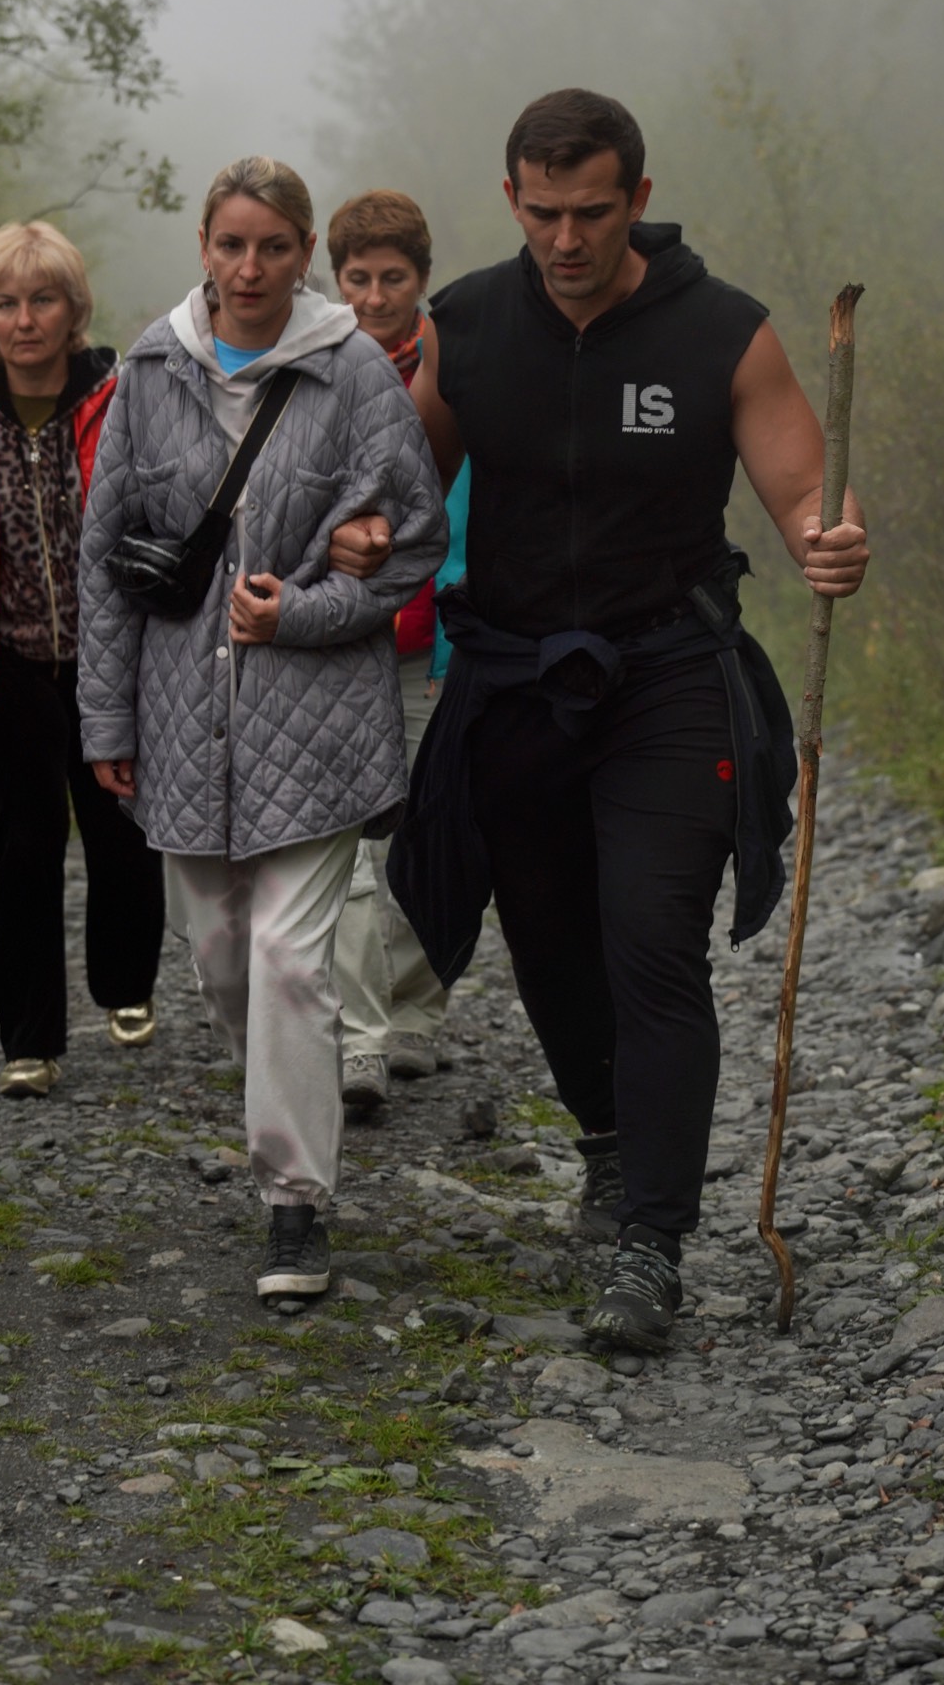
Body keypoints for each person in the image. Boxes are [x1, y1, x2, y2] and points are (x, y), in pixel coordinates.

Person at [359, 89, 870, 1353]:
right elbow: (399, 488)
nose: (566, 238)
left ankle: (650, 1238)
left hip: (665, 671)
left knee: (650, 937)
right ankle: (601, 1134)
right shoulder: (464, 325)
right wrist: (359, 536)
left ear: (636, 198)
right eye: (542, 213)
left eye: (591, 212)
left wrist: (828, 539)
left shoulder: (722, 333)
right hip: (513, 680)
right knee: (545, 939)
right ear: (509, 199)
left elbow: (804, 488)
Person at [77, 157, 445, 1300]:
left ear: (302, 256)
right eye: (230, 244)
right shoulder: (148, 368)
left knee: (292, 958)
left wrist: (311, 609)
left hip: (319, 714)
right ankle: (291, 1095)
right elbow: (103, 555)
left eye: (272, 247)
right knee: (222, 960)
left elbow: (414, 541)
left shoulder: (352, 375)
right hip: (181, 712)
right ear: (202, 244)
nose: (249, 268)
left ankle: (295, 1200)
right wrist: (104, 711)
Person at [0, 222, 166, 1100]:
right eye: (6, 303)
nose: (24, 320)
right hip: (9, 669)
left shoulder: (123, 403)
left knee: (120, 836)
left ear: (74, 310)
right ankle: (29, 1042)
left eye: (42, 301)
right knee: (21, 848)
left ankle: (124, 984)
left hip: (112, 660)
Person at [324, 191, 469, 1109]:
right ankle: (358, 1036)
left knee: (431, 837)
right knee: (333, 846)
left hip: (436, 634)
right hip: (334, 637)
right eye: (358, 277)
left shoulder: (464, 368)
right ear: (333, 280)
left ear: (422, 279)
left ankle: (415, 1013)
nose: (376, 296)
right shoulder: (310, 367)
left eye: (393, 278)